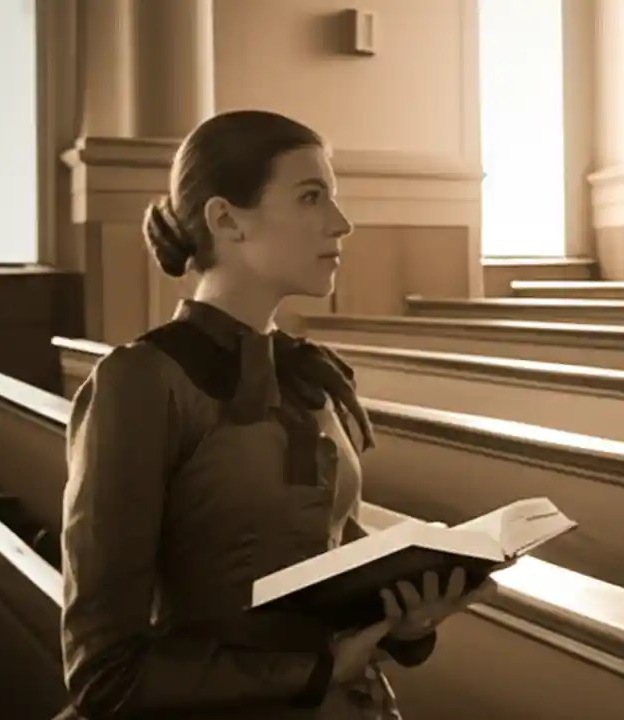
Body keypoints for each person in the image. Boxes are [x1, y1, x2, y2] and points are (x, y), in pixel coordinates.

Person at [56, 109, 493, 719]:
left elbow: (325, 558)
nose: (341, 224)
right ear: (226, 219)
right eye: (311, 197)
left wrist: (403, 620)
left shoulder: (304, 375)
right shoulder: (140, 382)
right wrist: (314, 672)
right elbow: (104, 674)